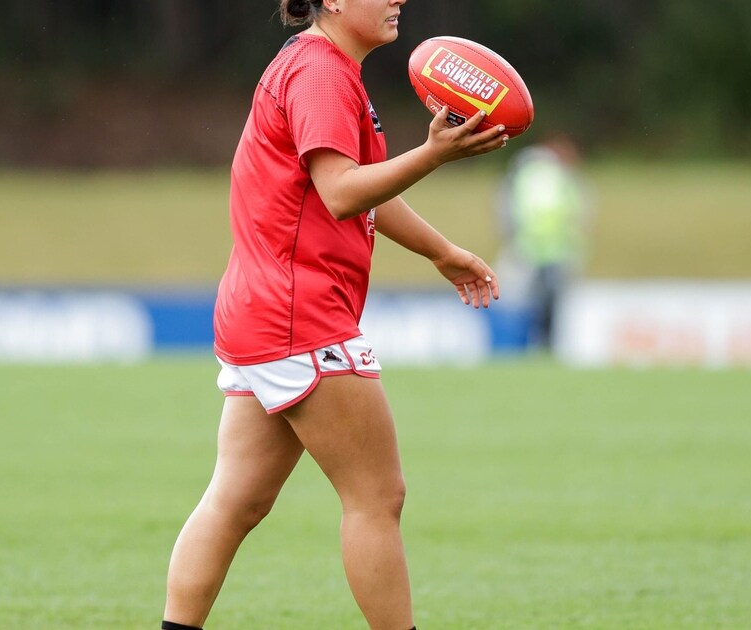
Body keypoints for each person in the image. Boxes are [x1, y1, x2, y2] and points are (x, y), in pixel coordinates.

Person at [161, 1, 510, 629]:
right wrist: (432, 154)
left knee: (236, 501)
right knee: (377, 497)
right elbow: (343, 192)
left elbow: (361, 185)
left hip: (260, 310)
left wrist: (440, 250)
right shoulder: (321, 73)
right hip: (300, 314)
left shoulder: (319, 65)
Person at [496, 134, 588, 353]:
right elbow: (577, 211)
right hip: (555, 251)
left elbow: (505, 210)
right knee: (548, 307)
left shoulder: (520, 174)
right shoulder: (561, 176)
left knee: (522, 303)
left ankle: (519, 348)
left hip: (525, 248)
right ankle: (545, 348)